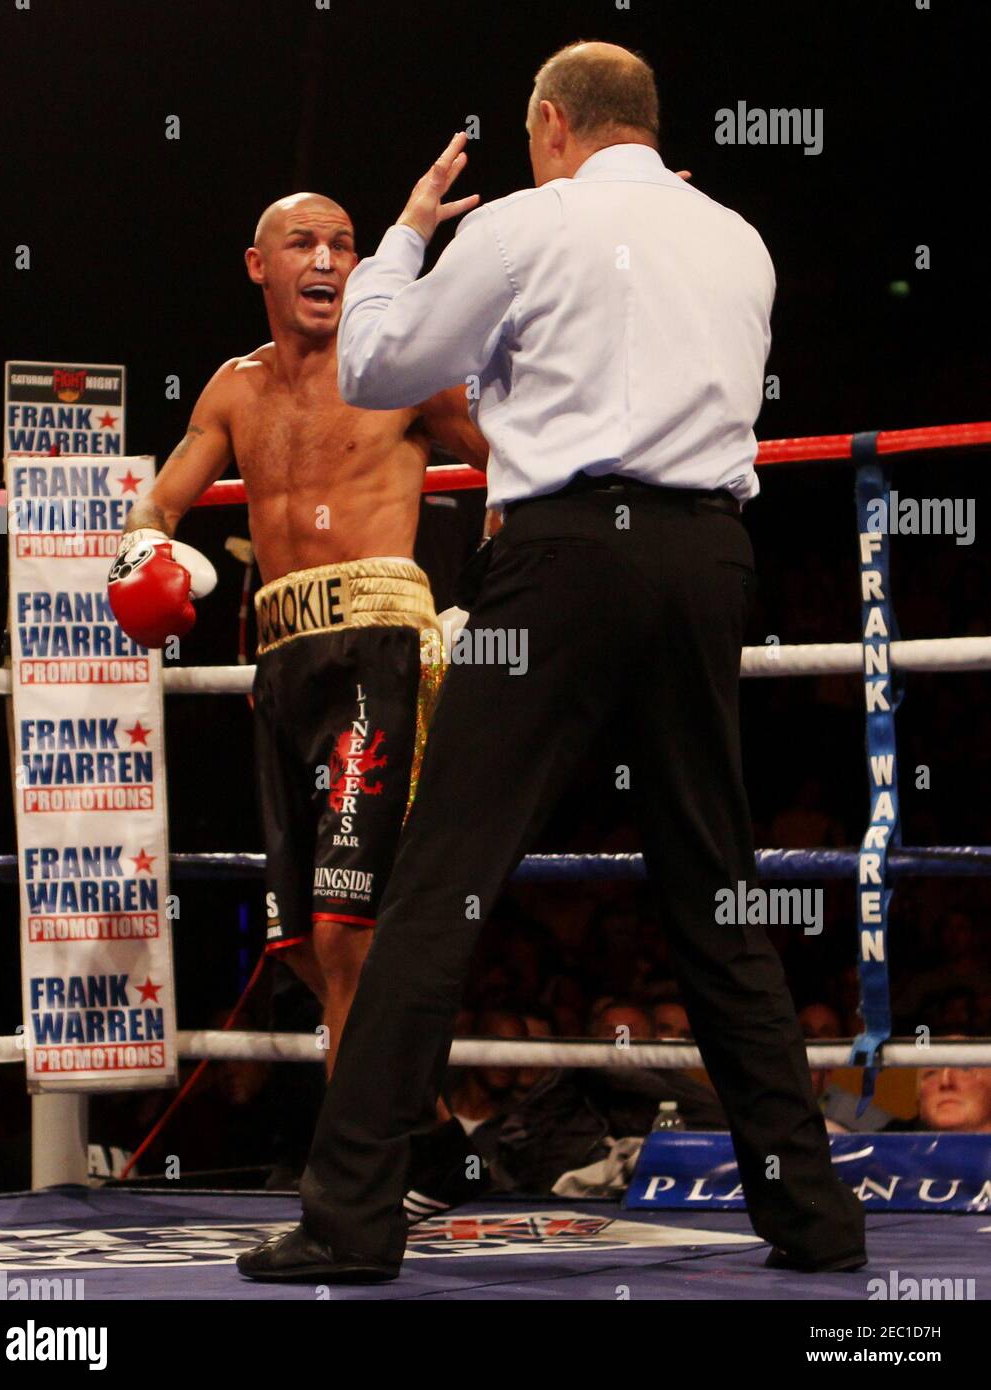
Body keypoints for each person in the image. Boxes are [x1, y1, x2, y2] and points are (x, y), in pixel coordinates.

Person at [238, 40, 866, 1283]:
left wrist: (409, 237)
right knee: (715, 888)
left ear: (554, 123)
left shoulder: (526, 225)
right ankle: (814, 1219)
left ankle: (349, 1218)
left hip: (564, 556)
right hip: (706, 561)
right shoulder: (740, 240)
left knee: (437, 884)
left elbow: (377, 366)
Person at [109, 191, 487, 1079]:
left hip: (378, 653)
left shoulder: (400, 372)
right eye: (303, 243)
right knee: (302, 948)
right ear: (258, 266)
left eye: (343, 245)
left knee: (345, 932)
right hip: (283, 664)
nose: (325, 260)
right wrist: (137, 548)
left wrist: (483, 598)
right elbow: (161, 499)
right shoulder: (234, 387)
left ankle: (349, 1181)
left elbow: (512, 461)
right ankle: (419, 1125)